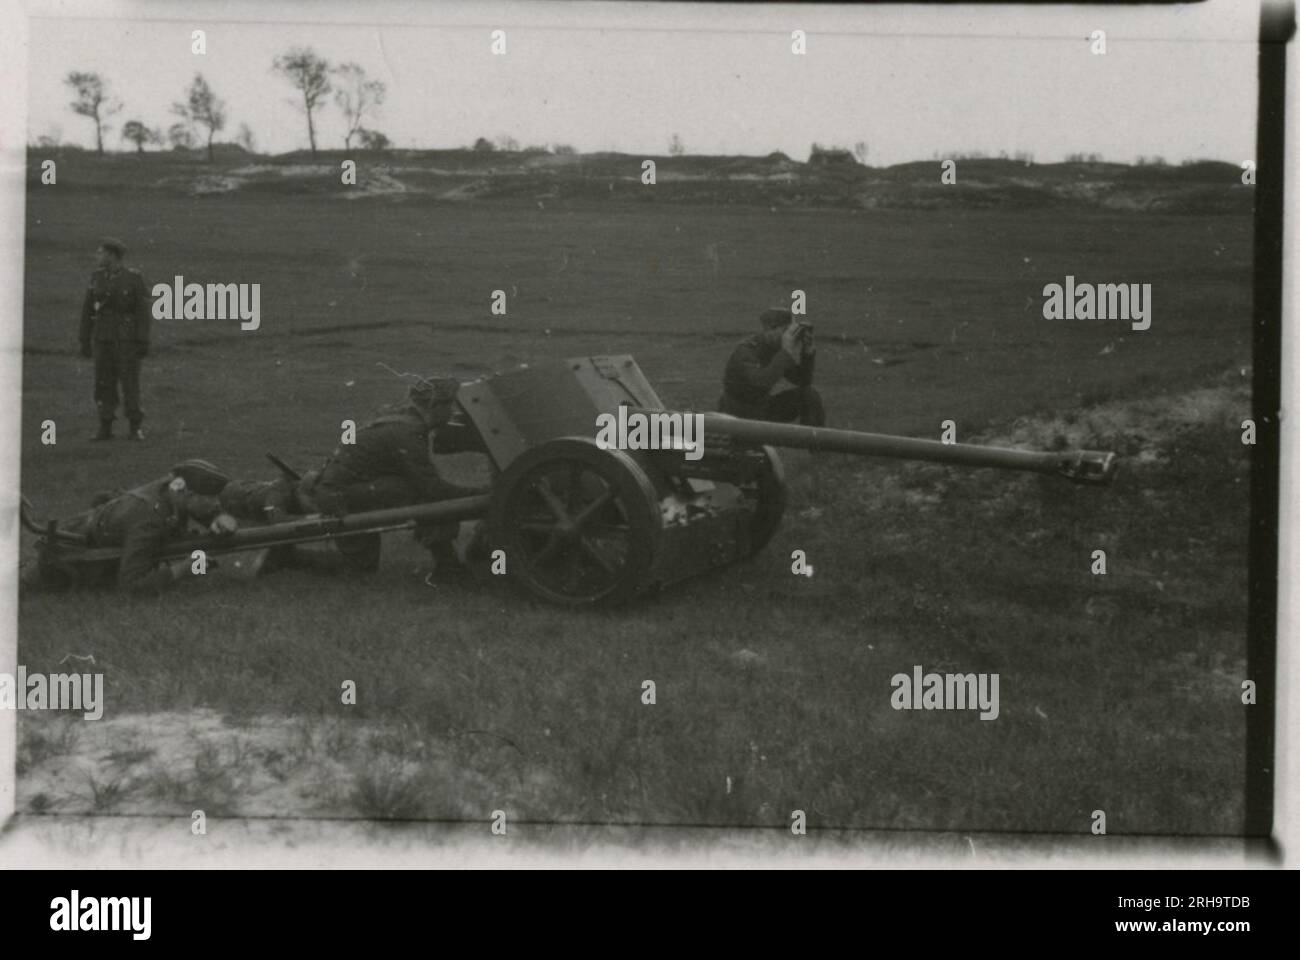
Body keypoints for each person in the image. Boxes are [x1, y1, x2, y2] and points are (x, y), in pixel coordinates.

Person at [296, 376, 489, 575]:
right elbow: (433, 488)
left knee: (361, 565)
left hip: (344, 491)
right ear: (435, 405)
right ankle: (448, 566)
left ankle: (449, 564)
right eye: (451, 406)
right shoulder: (407, 433)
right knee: (424, 496)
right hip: (339, 498)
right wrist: (482, 493)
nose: (453, 413)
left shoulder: (405, 421)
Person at [40, 466, 235, 593]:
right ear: (185, 492)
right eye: (209, 500)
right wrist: (184, 569)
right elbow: (131, 584)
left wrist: (219, 518)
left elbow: (196, 505)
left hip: (97, 525)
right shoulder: (149, 519)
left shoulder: (172, 489)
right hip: (72, 551)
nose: (214, 504)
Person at [79, 237, 153, 442]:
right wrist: (84, 338)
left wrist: (142, 340)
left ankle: (134, 426)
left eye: (101, 252)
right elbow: (88, 309)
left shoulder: (133, 279)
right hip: (102, 337)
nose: (98, 256)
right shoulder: (97, 278)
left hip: (126, 339)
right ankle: (105, 425)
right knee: (103, 382)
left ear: (112, 255)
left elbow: (142, 312)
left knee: (130, 382)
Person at [719, 307, 826, 426]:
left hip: (760, 409)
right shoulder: (745, 351)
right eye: (785, 331)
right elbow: (762, 382)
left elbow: (802, 381)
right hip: (737, 415)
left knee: (809, 396)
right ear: (769, 329)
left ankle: (815, 443)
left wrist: (807, 352)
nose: (789, 336)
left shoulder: (775, 348)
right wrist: (786, 352)